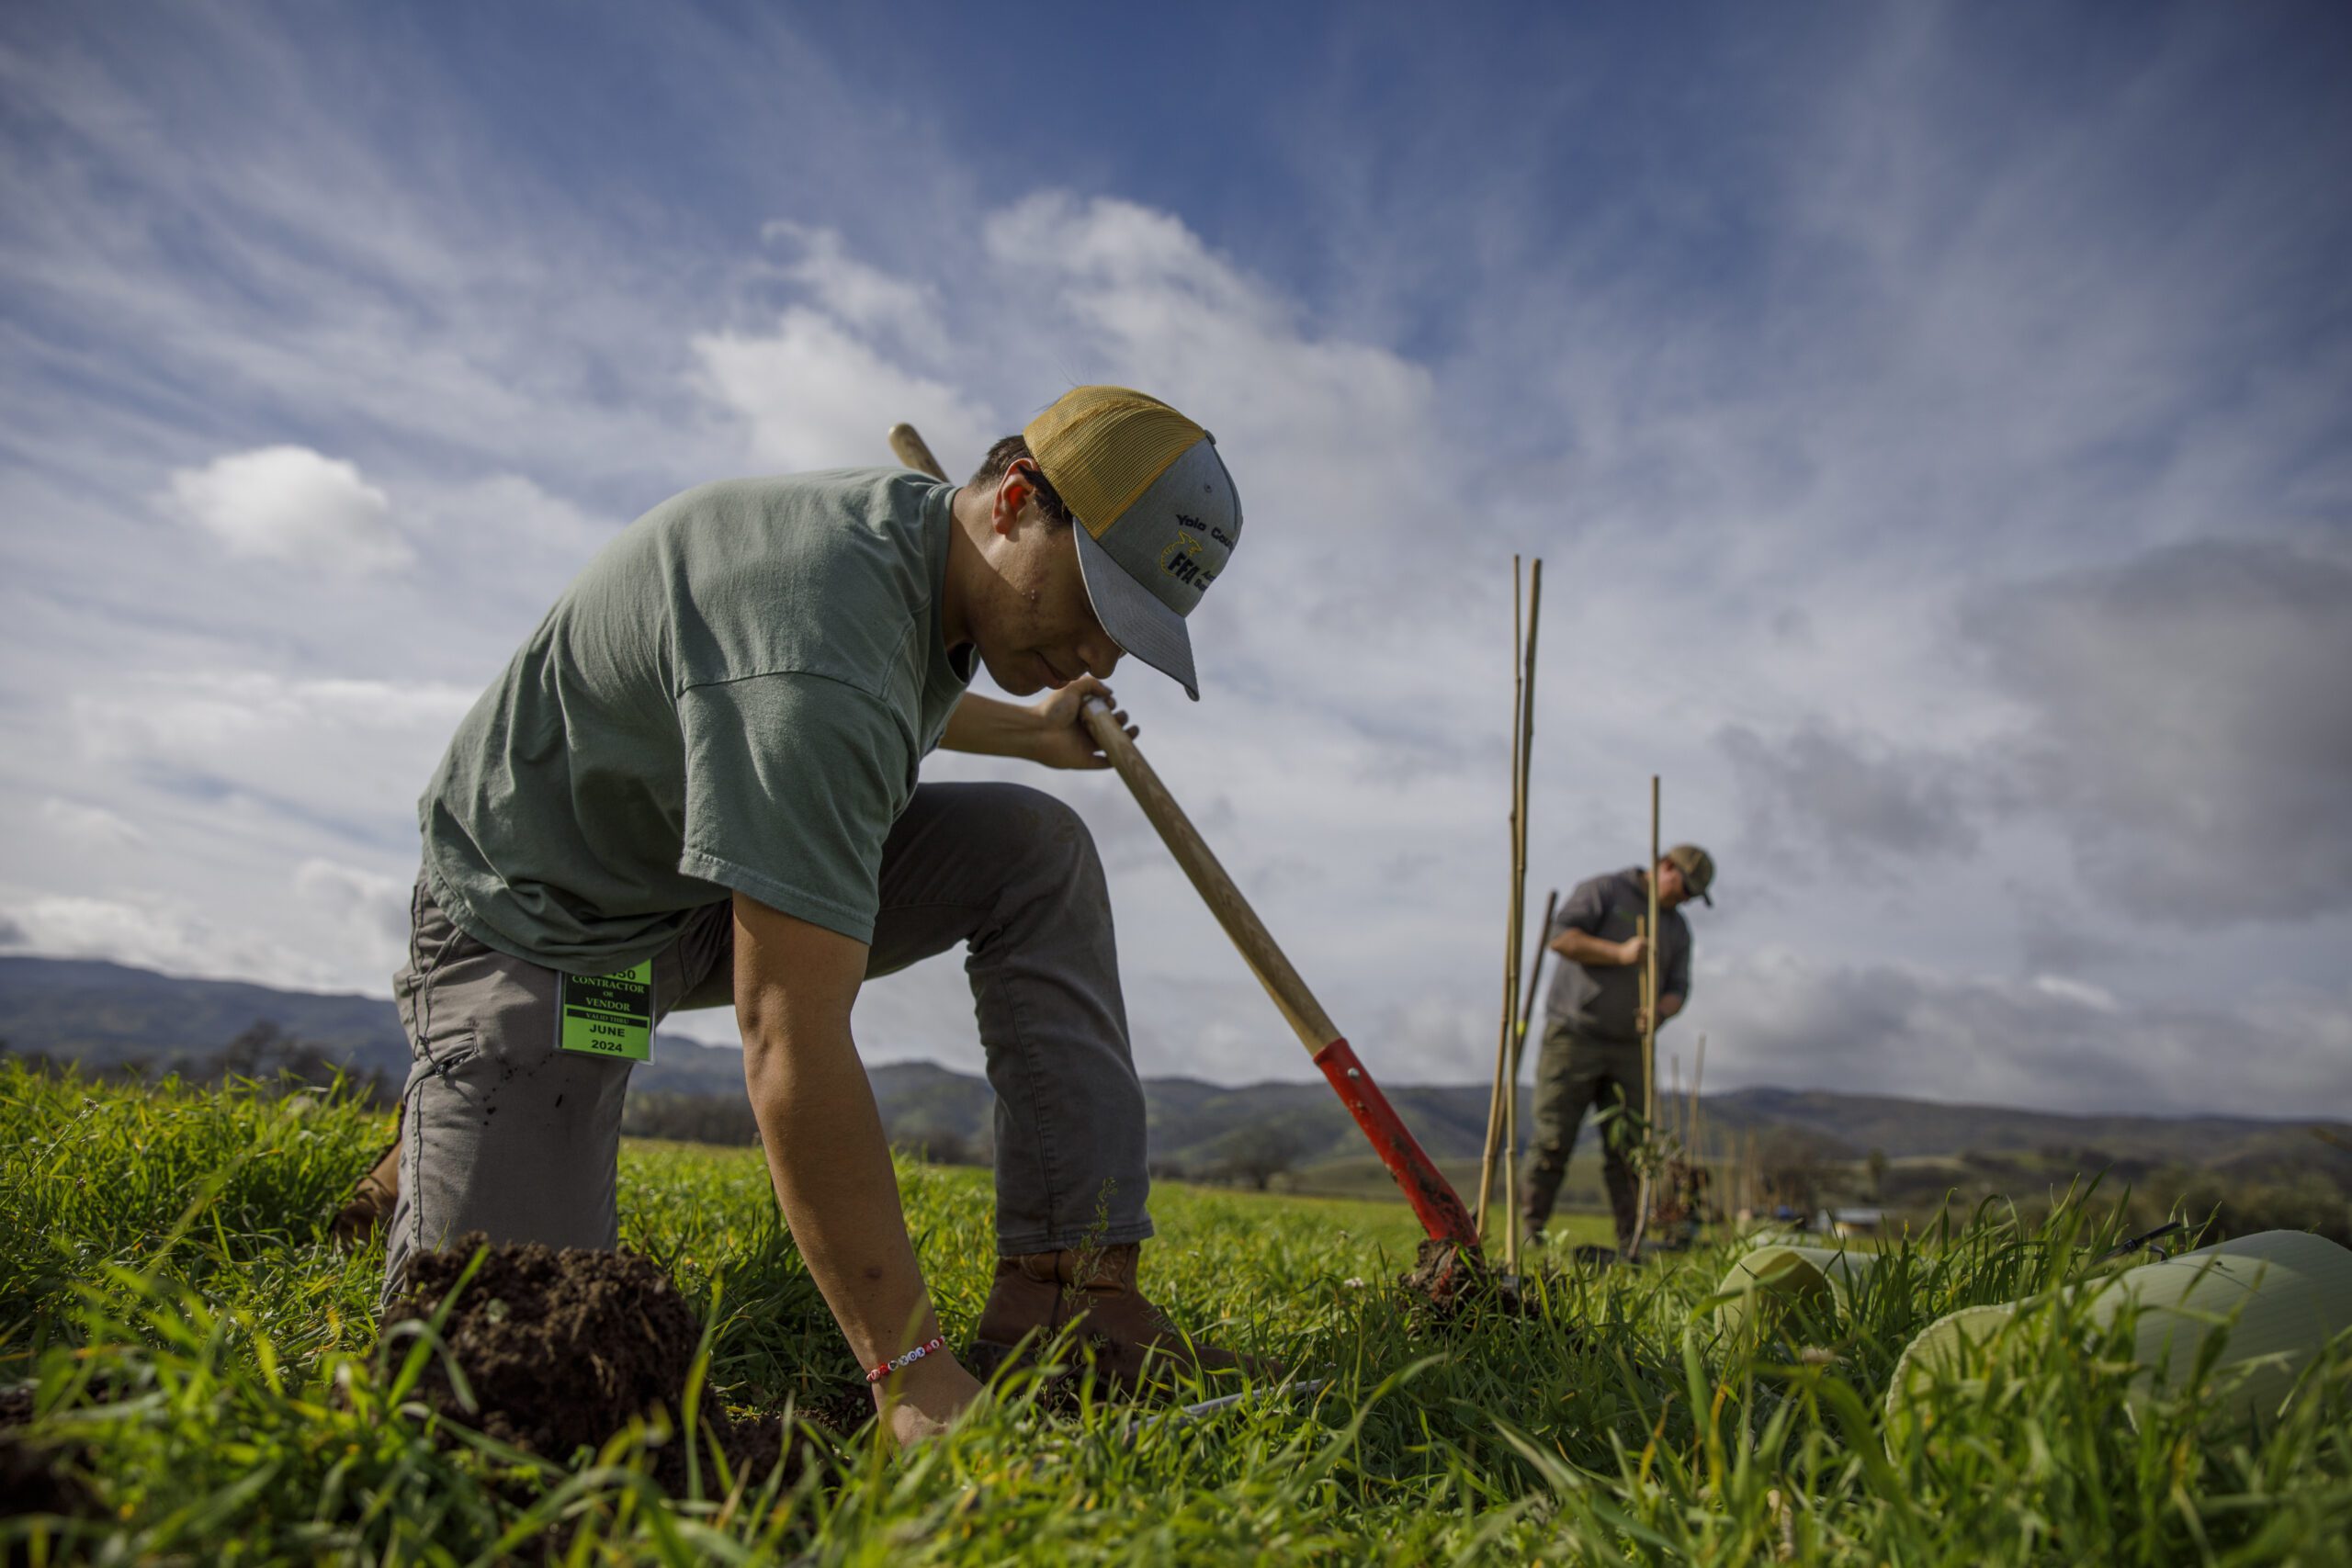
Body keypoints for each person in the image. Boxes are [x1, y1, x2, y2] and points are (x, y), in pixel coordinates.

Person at [362, 386, 1250, 1446]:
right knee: (506, 1364)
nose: (1101, 655)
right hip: (552, 928)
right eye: (1096, 604)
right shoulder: (816, 633)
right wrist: (909, 1369)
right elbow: (787, 1030)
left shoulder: (923, 547)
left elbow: (866, 686)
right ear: (1016, 500)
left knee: (1034, 851)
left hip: (696, 877)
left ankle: (1069, 1298)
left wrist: (1031, 734)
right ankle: (469, 1087)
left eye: (1132, 631)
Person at [1519, 844, 1715, 1255]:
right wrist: (1620, 953)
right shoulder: (1605, 890)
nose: (1686, 899)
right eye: (1685, 888)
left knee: (1629, 1149)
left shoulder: (1677, 929)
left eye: (1694, 896)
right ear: (1666, 866)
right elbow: (1560, 938)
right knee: (1553, 1138)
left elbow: (1679, 987)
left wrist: (1660, 1013)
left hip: (1631, 1047)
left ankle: (1632, 1239)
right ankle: (1529, 1233)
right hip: (1574, 1035)